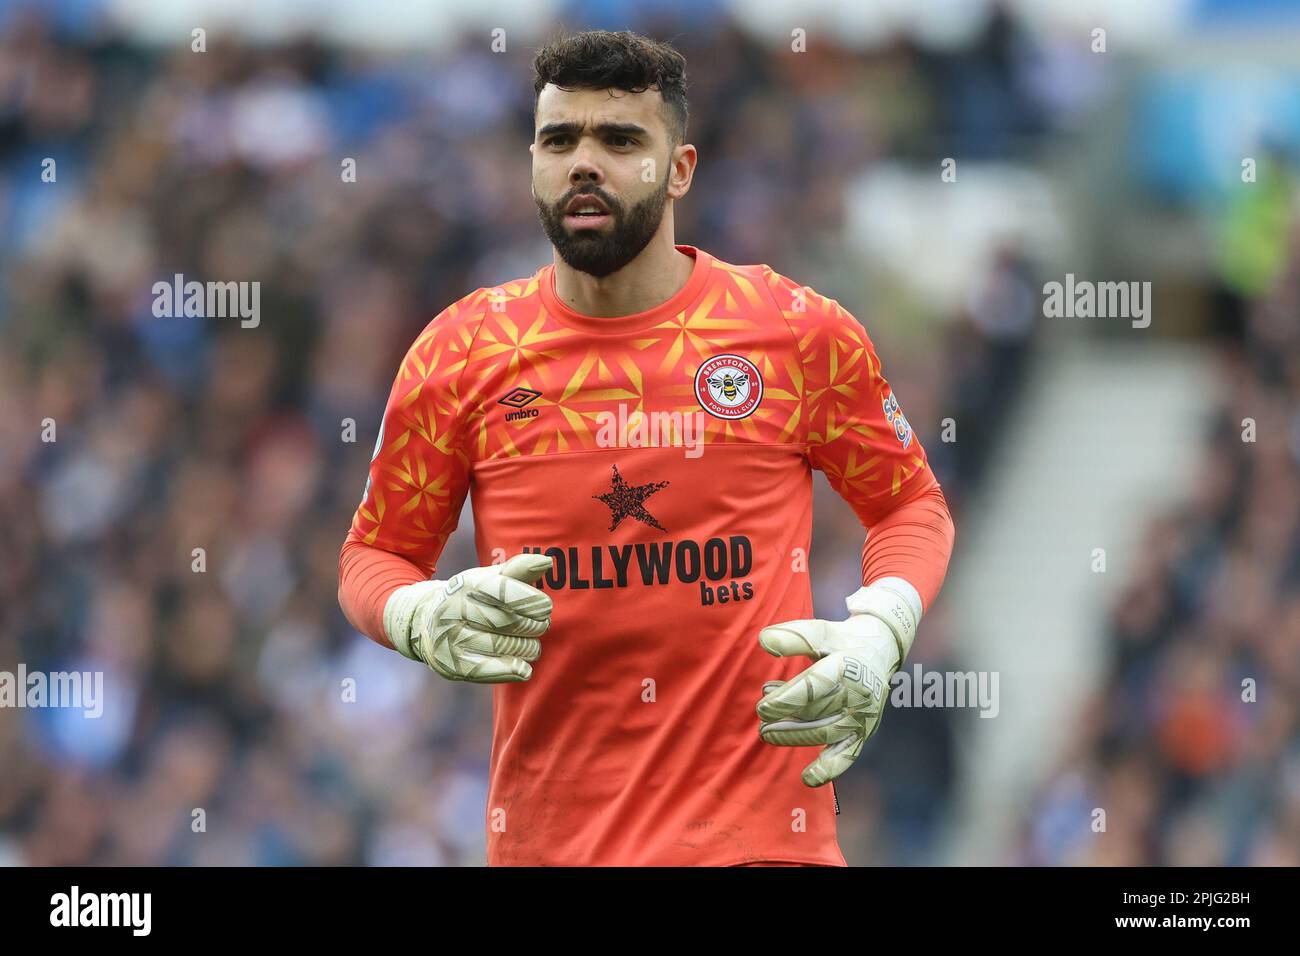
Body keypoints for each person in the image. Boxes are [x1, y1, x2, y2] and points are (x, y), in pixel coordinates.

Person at [338, 29, 955, 866]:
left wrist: (882, 627)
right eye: (560, 140)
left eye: (620, 139)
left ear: (681, 169)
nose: (583, 163)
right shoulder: (459, 355)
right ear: (532, 164)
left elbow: (910, 503)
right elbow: (374, 555)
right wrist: (416, 612)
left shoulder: (795, 334)